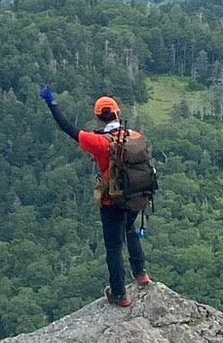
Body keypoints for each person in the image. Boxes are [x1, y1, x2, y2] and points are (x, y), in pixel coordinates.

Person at [39, 86, 152, 307]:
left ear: (99, 117)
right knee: (129, 230)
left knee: (113, 247)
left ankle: (120, 295)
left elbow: (69, 129)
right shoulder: (136, 136)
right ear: (118, 113)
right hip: (136, 196)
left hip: (112, 200)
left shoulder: (99, 143)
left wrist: (53, 105)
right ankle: (141, 274)